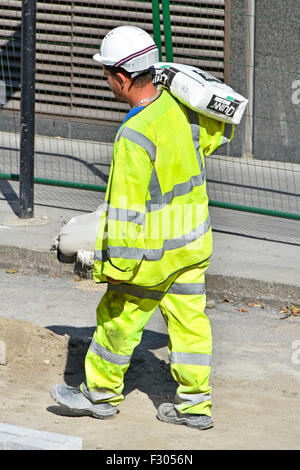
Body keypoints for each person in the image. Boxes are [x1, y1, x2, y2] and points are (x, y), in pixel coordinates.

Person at [51, 25, 234, 430]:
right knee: (190, 325)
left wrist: (110, 269)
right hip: (192, 244)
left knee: (117, 317)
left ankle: (99, 396)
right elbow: (218, 134)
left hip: (152, 255)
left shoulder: (133, 134)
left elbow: (126, 213)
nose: (107, 82)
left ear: (120, 78)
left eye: (106, 75)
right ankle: (195, 406)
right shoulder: (181, 109)